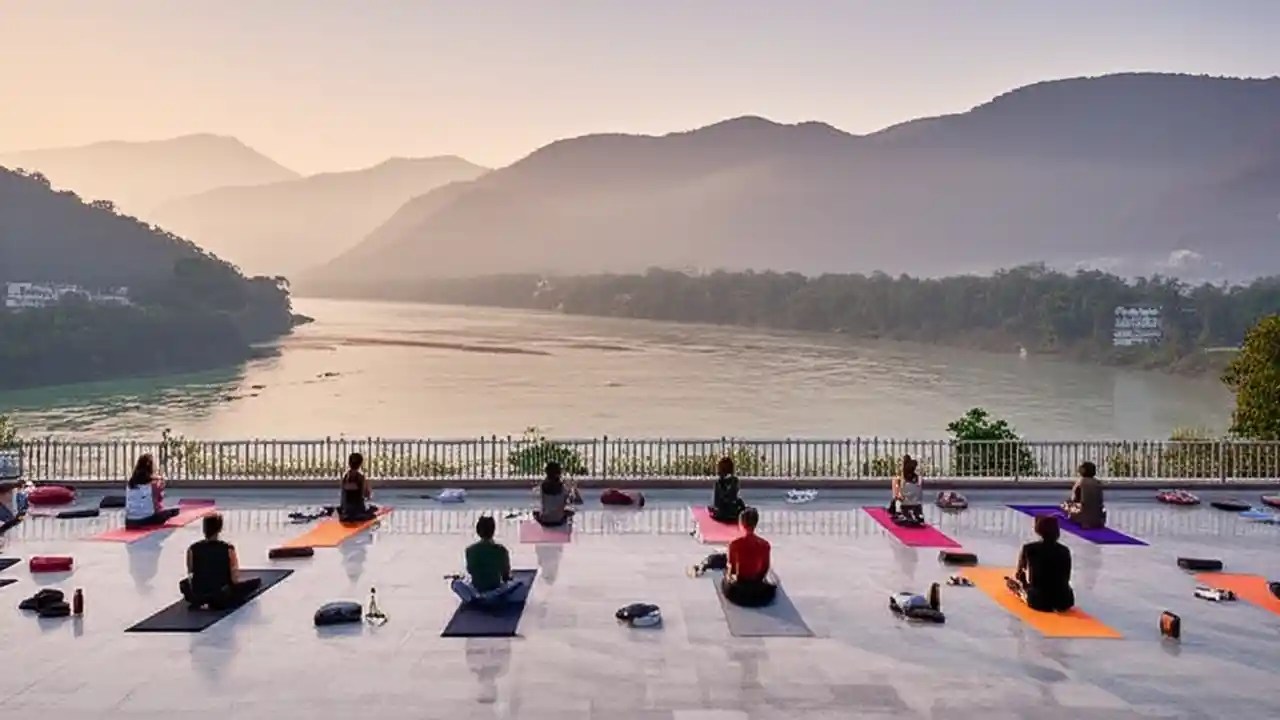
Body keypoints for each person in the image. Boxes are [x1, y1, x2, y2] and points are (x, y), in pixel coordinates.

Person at [180, 512, 261, 609]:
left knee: (185, 584)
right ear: (219, 529)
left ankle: (202, 598)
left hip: (200, 592)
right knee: (255, 583)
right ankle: (215, 598)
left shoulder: (192, 549)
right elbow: (234, 578)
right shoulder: (228, 549)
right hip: (221, 594)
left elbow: (190, 573)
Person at [1007, 515, 1075, 612]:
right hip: (1064, 600)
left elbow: (1020, 575)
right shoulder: (1065, 550)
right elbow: (1067, 577)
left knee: (1014, 585)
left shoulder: (1029, 548)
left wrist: (1024, 584)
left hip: (1039, 600)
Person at [451, 516, 522, 606]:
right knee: (517, 584)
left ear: (478, 531)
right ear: (493, 531)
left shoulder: (470, 550)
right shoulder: (501, 550)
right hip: (495, 591)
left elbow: (471, 570)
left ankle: (473, 599)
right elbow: (505, 576)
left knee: (456, 583)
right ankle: (488, 599)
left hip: (477, 589)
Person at [722, 507, 777, 607]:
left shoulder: (734, 544)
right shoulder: (765, 544)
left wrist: (729, 577)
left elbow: (732, 569)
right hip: (757, 587)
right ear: (755, 523)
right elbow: (765, 568)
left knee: (725, 579)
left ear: (741, 523)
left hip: (739, 587)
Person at [124, 454, 179, 529]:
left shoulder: (130, 483)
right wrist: (161, 488)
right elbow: (158, 501)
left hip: (130, 520)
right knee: (174, 511)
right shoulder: (153, 484)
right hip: (147, 518)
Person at [1062, 461, 1105, 529]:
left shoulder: (1080, 482)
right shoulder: (1098, 483)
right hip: (1098, 518)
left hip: (1084, 518)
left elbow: (1075, 499)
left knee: (1065, 505)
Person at [338, 452, 377, 523]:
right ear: (360, 464)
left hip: (345, 513)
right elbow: (367, 495)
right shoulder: (361, 478)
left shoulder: (345, 477)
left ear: (349, 463)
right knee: (374, 510)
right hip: (359, 513)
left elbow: (342, 496)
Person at [533, 462, 574, 527]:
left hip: (544, 521)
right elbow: (572, 501)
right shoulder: (563, 487)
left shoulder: (542, 486)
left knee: (535, 512)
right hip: (559, 520)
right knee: (570, 511)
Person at [708, 457, 745, 523]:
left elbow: (717, 502)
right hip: (732, 512)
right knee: (739, 502)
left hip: (721, 513)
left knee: (712, 508)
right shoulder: (735, 480)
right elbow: (733, 497)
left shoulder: (718, 482)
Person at [890, 455, 925, 524]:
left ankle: (901, 513)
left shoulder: (902, 480)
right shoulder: (918, 478)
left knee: (898, 498)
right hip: (917, 502)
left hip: (905, 503)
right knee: (915, 503)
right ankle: (918, 515)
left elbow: (900, 494)